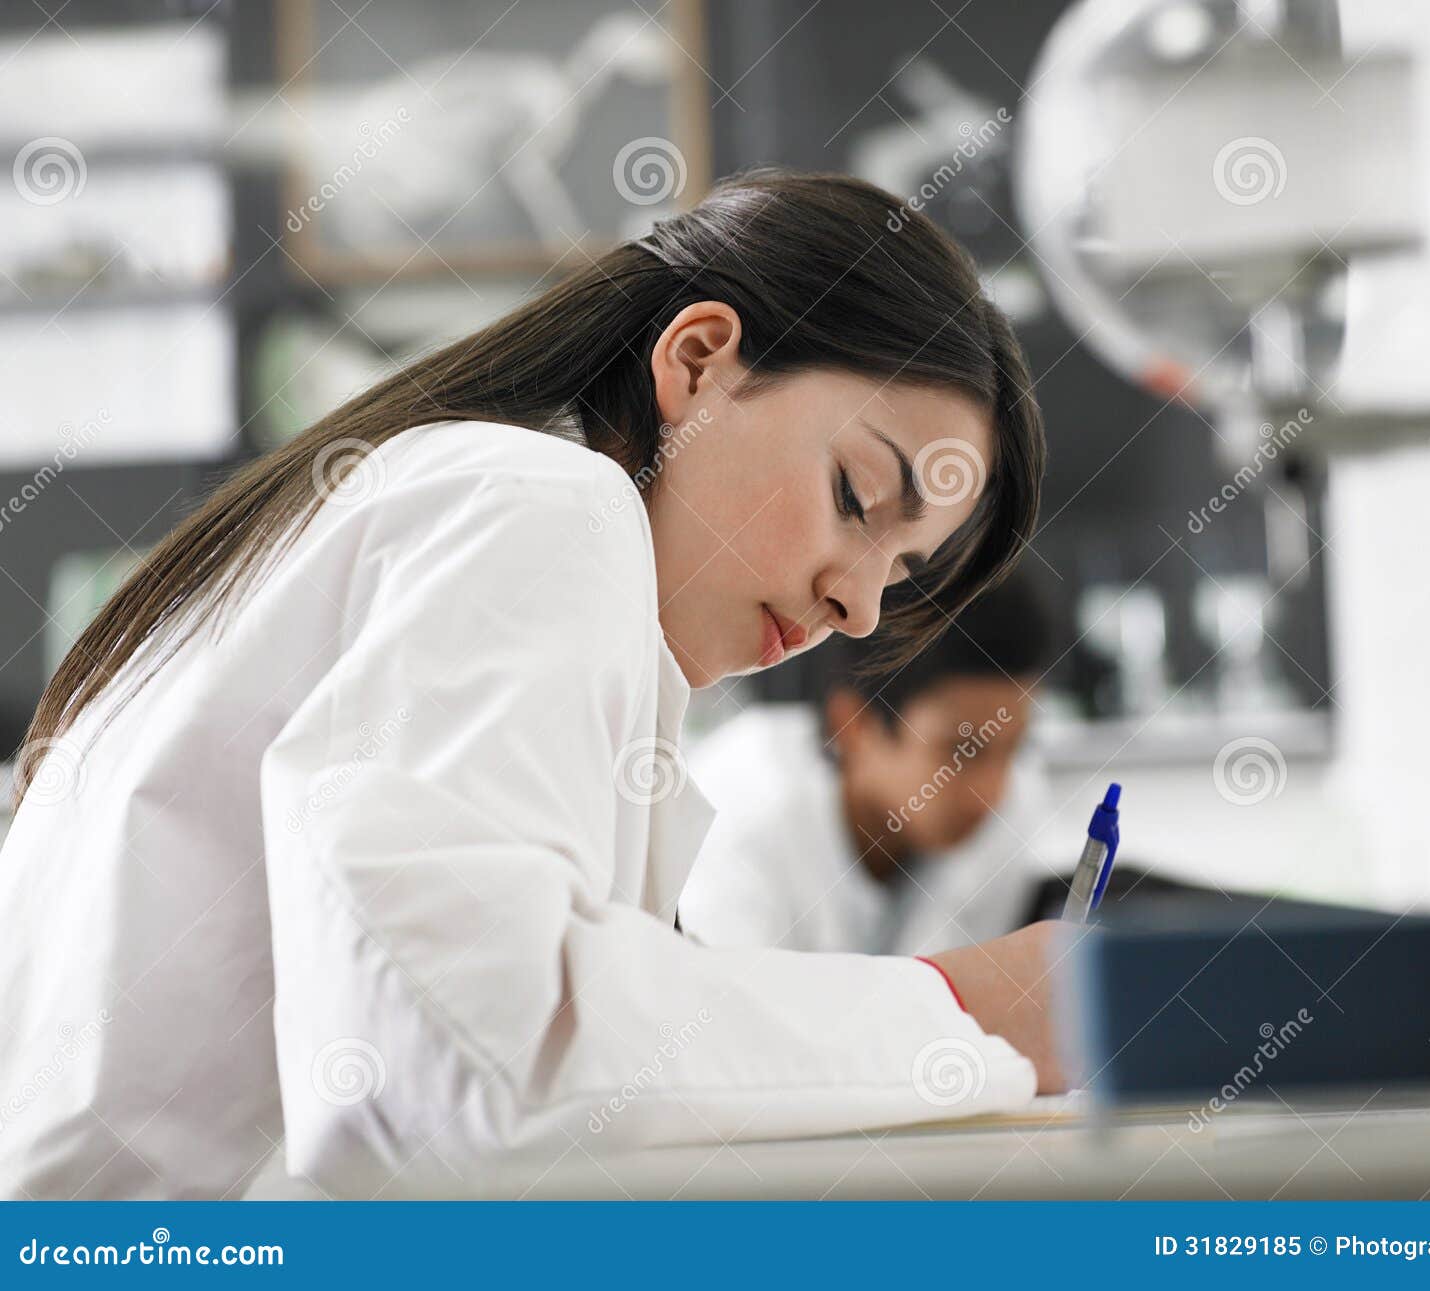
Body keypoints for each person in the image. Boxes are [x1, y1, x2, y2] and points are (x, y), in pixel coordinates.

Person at [0, 169, 1060, 1200]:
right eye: (855, 494)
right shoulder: (541, 501)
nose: (861, 607)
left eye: (904, 571)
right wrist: (962, 1009)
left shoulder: (476, 502)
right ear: (697, 362)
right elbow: (464, 1077)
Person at [680, 571, 1063, 956]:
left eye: (1016, 747)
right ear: (854, 725)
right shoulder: (739, 816)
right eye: (962, 750)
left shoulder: (1014, 808)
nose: (990, 793)